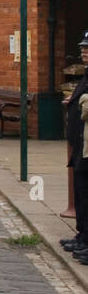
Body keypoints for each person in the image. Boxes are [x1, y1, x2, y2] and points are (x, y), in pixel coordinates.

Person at [61, 33, 88, 261]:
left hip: (86, 142)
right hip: (80, 142)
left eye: (87, 48)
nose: (84, 51)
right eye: (83, 48)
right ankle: (82, 235)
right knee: (81, 190)